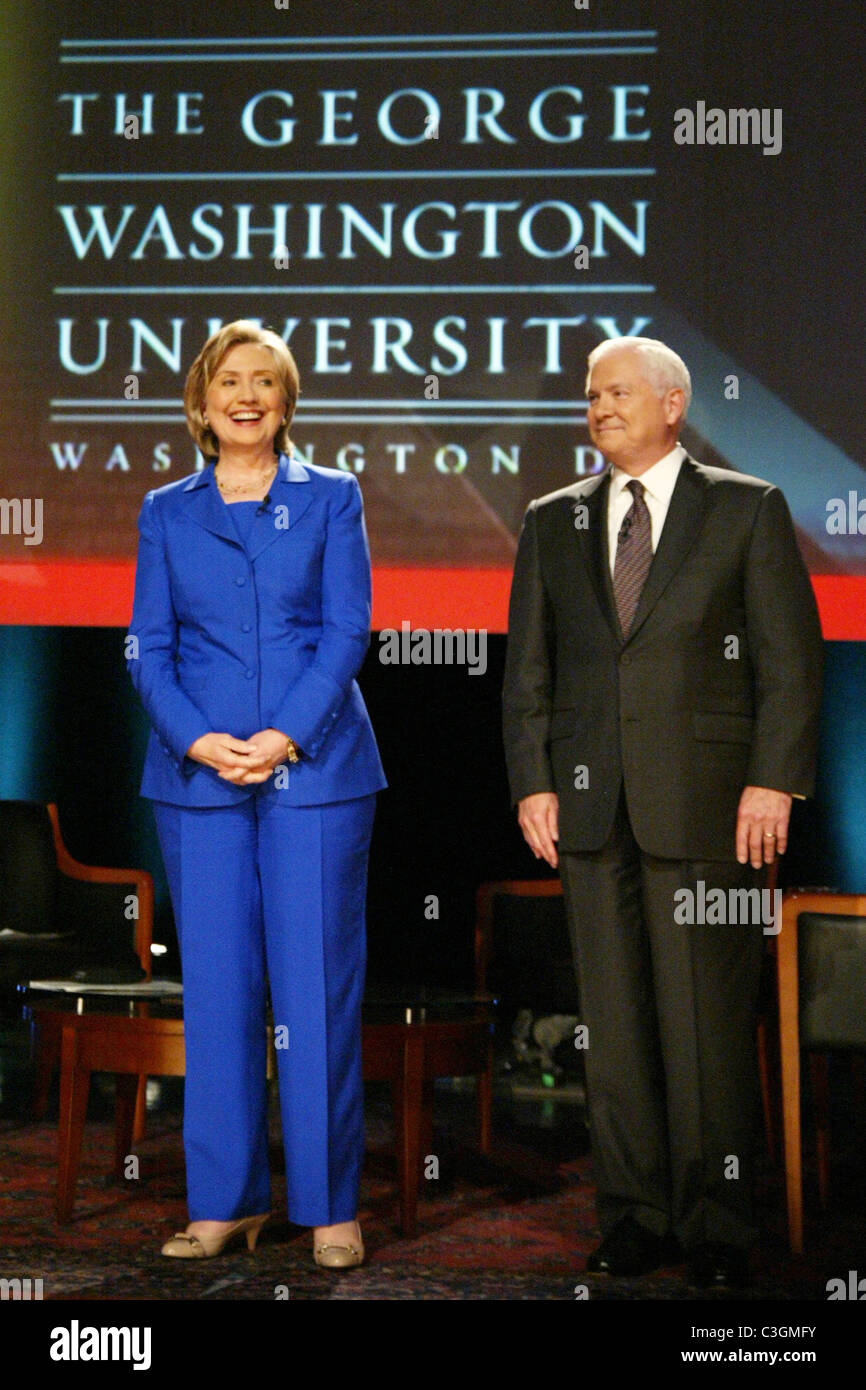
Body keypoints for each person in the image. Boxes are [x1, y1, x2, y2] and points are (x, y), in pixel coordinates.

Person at [502, 336, 823, 1287]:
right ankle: (636, 1214)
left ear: (675, 403)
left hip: (711, 809)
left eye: (618, 392)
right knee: (618, 1029)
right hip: (591, 814)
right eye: (591, 394)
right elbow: (529, 669)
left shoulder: (747, 508)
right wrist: (533, 779)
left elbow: (790, 662)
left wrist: (776, 780)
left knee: (704, 1030)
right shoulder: (550, 521)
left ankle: (718, 1226)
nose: (599, 407)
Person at [127, 320, 387, 1268]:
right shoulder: (164, 509)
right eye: (228, 381)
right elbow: (148, 648)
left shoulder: (332, 498)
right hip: (197, 779)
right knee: (221, 995)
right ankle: (225, 1202)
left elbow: (347, 631)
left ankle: (327, 1209)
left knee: (314, 992)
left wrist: (282, 737)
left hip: (315, 774)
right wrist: (198, 738)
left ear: (287, 402)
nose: (246, 396)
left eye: (265, 382)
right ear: (201, 403)